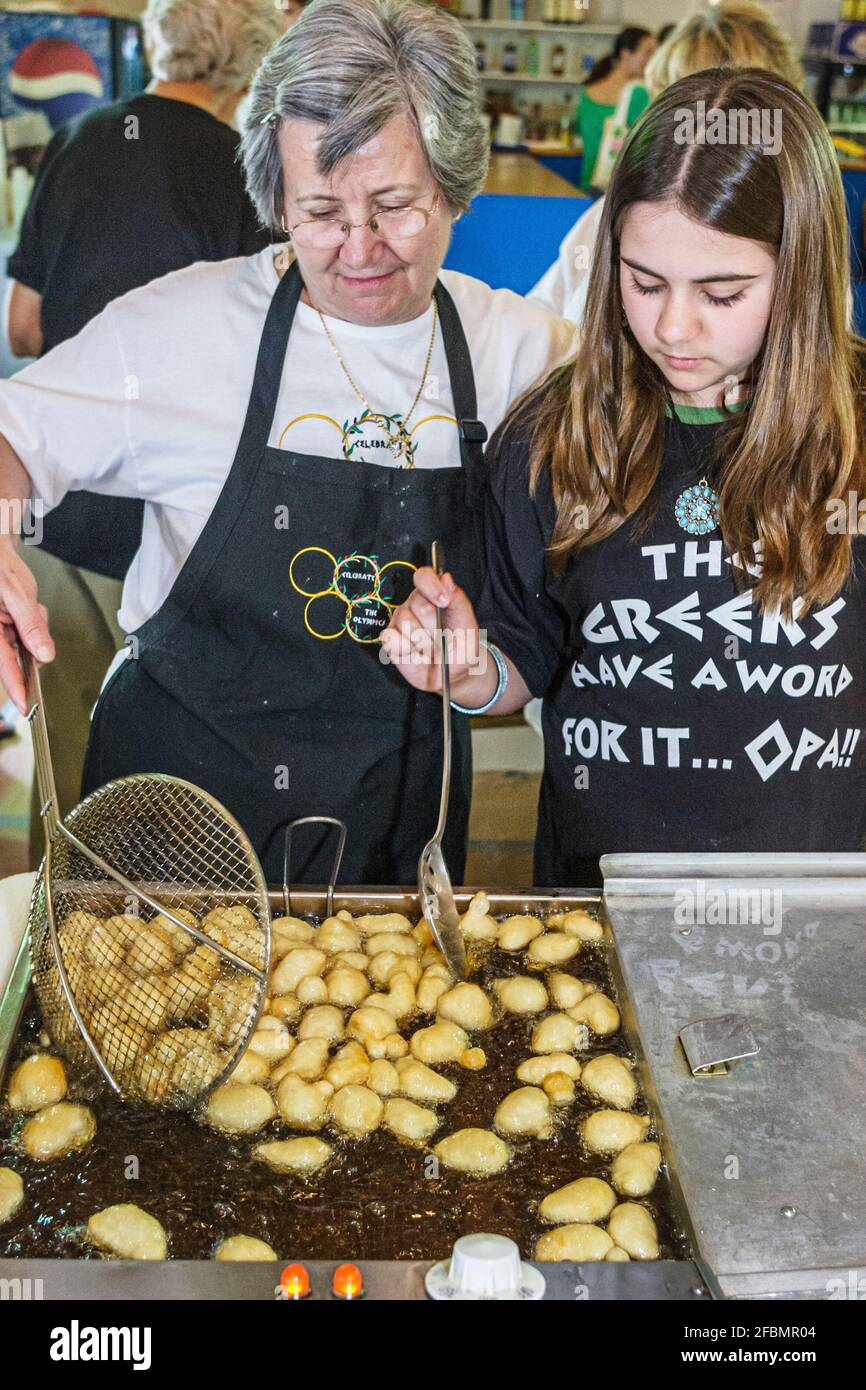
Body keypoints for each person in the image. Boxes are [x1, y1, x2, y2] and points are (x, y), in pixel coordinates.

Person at [0, 0, 575, 885]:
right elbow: (15, 436)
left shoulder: (522, 351)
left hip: (394, 850)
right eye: (319, 212)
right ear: (274, 199)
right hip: (172, 842)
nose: (359, 248)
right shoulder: (185, 326)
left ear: (455, 187)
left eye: (395, 206)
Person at [384, 67, 866, 889]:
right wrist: (467, 669)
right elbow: (519, 664)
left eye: (723, 292)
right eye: (644, 283)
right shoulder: (555, 435)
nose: (673, 327)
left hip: (820, 913)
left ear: (803, 274)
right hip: (596, 898)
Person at [6, 0, 285, 863]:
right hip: (185, 534)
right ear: (253, 57)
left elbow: (23, 327)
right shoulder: (255, 167)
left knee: (63, 785)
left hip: (55, 516)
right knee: (180, 811)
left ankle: (61, 963)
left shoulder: (81, 136)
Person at [531, 2, 805, 321]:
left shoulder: (794, 223)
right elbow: (548, 314)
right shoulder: (620, 211)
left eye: (721, 295)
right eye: (648, 285)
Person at [572, 28, 654, 196]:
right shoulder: (638, 92)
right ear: (625, 53)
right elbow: (648, 143)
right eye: (648, 53)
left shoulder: (588, 91)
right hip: (618, 189)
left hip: (588, 183)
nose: (652, 59)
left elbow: (578, 131)